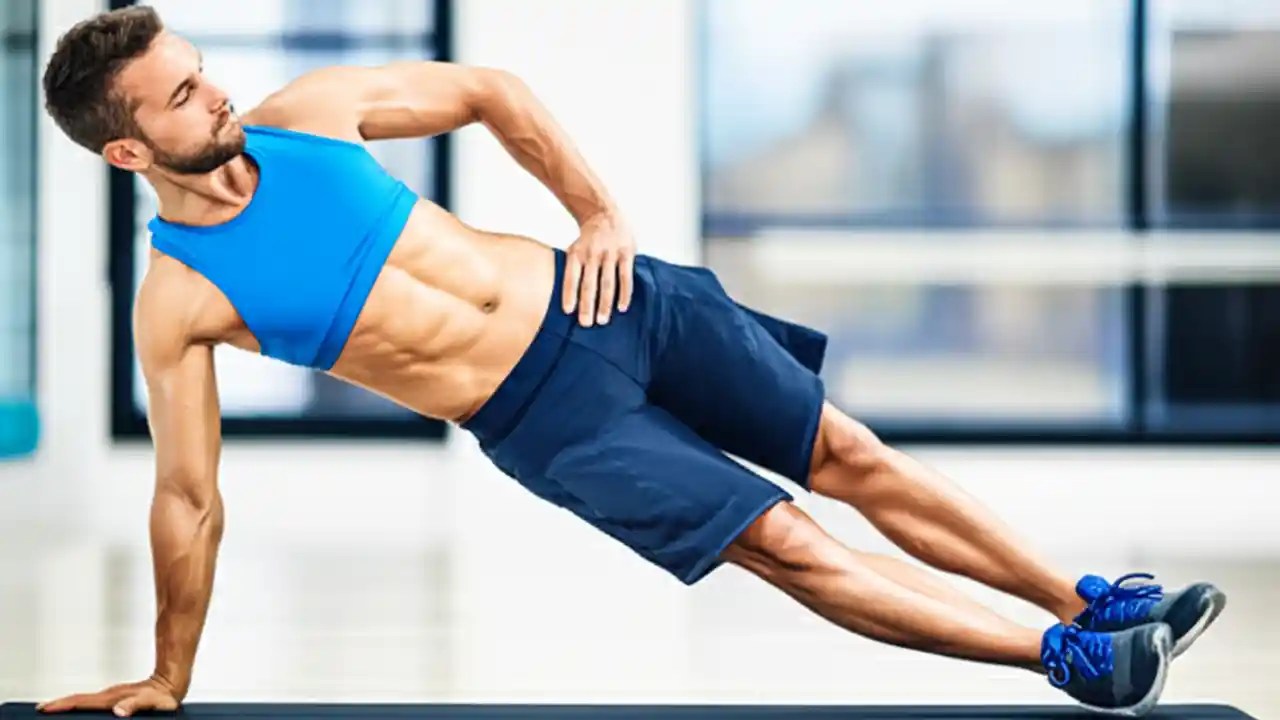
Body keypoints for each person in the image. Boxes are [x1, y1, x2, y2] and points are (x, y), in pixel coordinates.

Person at [35, 7, 1224, 719]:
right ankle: (1066, 660)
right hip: (550, 419)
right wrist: (167, 674)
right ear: (132, 146)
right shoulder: (181, 300)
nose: (218, 90)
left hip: (616, 301)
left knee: (849, 456)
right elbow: (188, 498)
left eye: (203, 65)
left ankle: (1085, 599)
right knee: (789, 544)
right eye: (185, 93)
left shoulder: (311, 111)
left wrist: (599, 212)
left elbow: (491, 93)